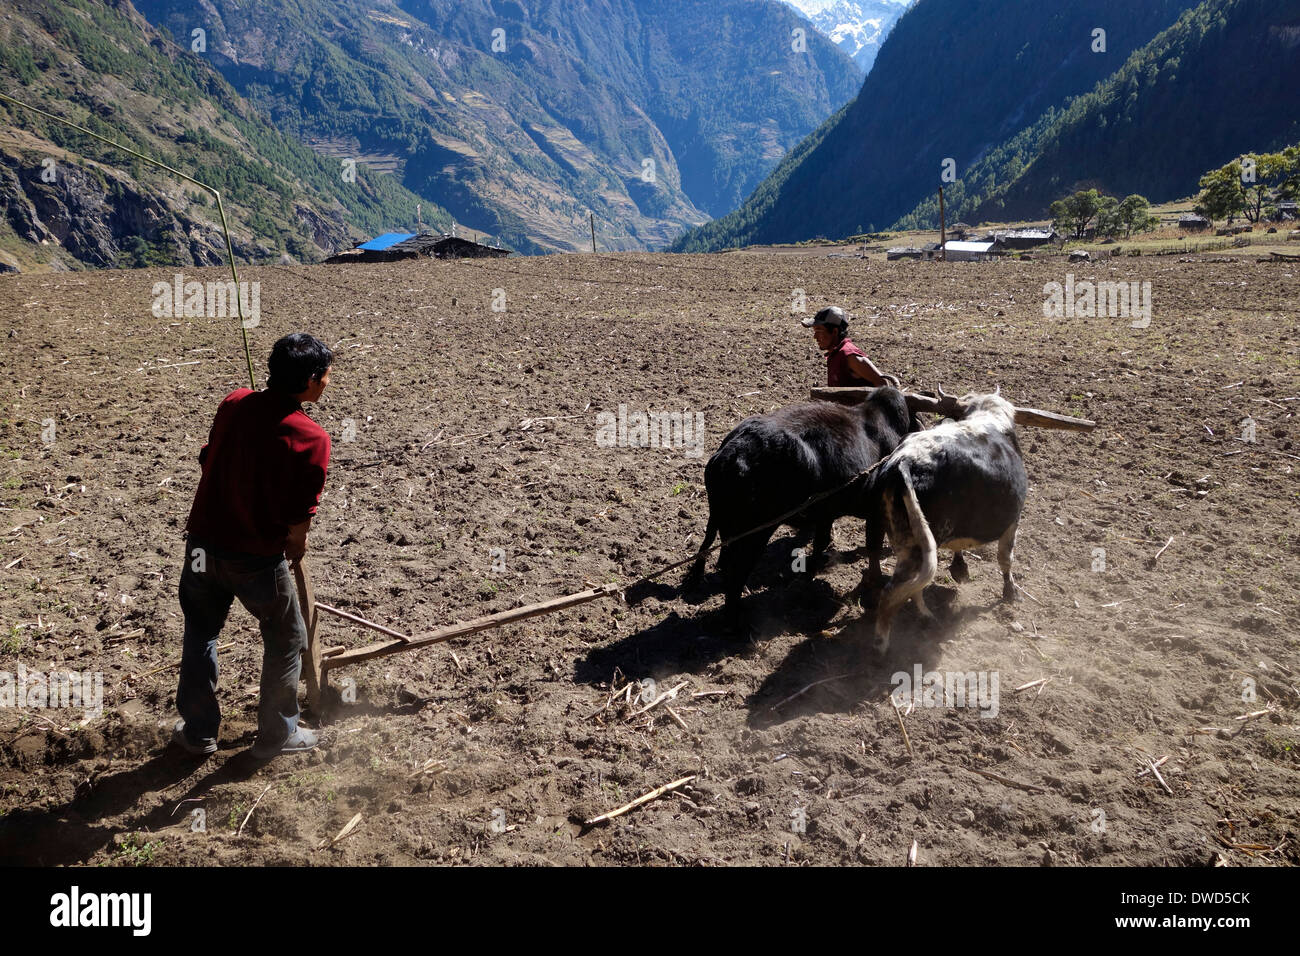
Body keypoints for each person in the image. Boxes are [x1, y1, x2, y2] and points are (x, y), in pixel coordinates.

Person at [172, 333, 334, 760]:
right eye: (326, 375)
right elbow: (300, 517)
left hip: (202, 547)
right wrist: (295, 546)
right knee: (285, 639)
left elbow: (208, 458)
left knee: (201, 632)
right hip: (255, 558)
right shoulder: (313, 438)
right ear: (311, 381)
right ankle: (277, 736)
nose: (330, 381)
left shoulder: (234, 402)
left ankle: (199, 732)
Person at [802, 306, 898, 388]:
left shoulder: (850, 355)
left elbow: (882, 383)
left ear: (835, 332)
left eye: (819, 331)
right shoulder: (835, 354)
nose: (815, 337)